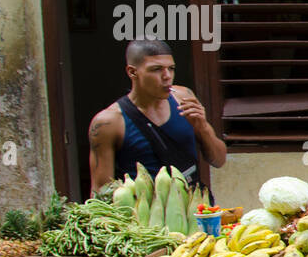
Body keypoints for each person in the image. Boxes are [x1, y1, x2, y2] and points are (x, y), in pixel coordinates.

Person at [88, 39, 227, 195]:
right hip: (144, 213)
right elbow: (101, 190)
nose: (167, 76)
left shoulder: (183, 98)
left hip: (194, 207)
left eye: (171, 68)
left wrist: (202, 127)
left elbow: (219, 160)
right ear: (132, 72)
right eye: (156, 69)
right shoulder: (108, 122)